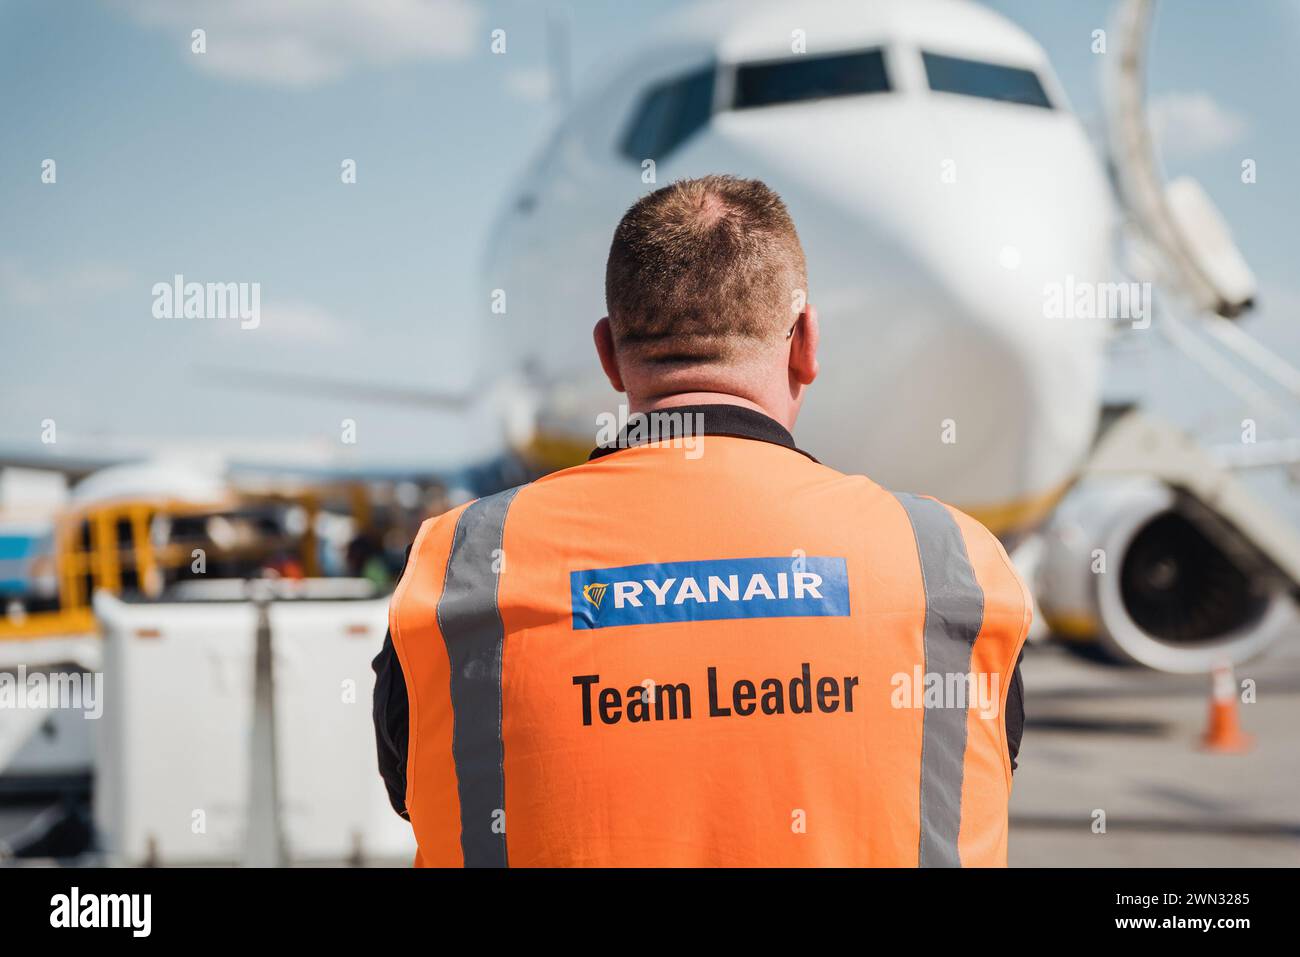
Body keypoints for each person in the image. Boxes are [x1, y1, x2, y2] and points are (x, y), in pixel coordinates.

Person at [372, 175, 1030, 867]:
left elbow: (418, 787)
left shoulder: (461, 568)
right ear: (805, 341)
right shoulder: (950, 566)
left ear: (609, 356)